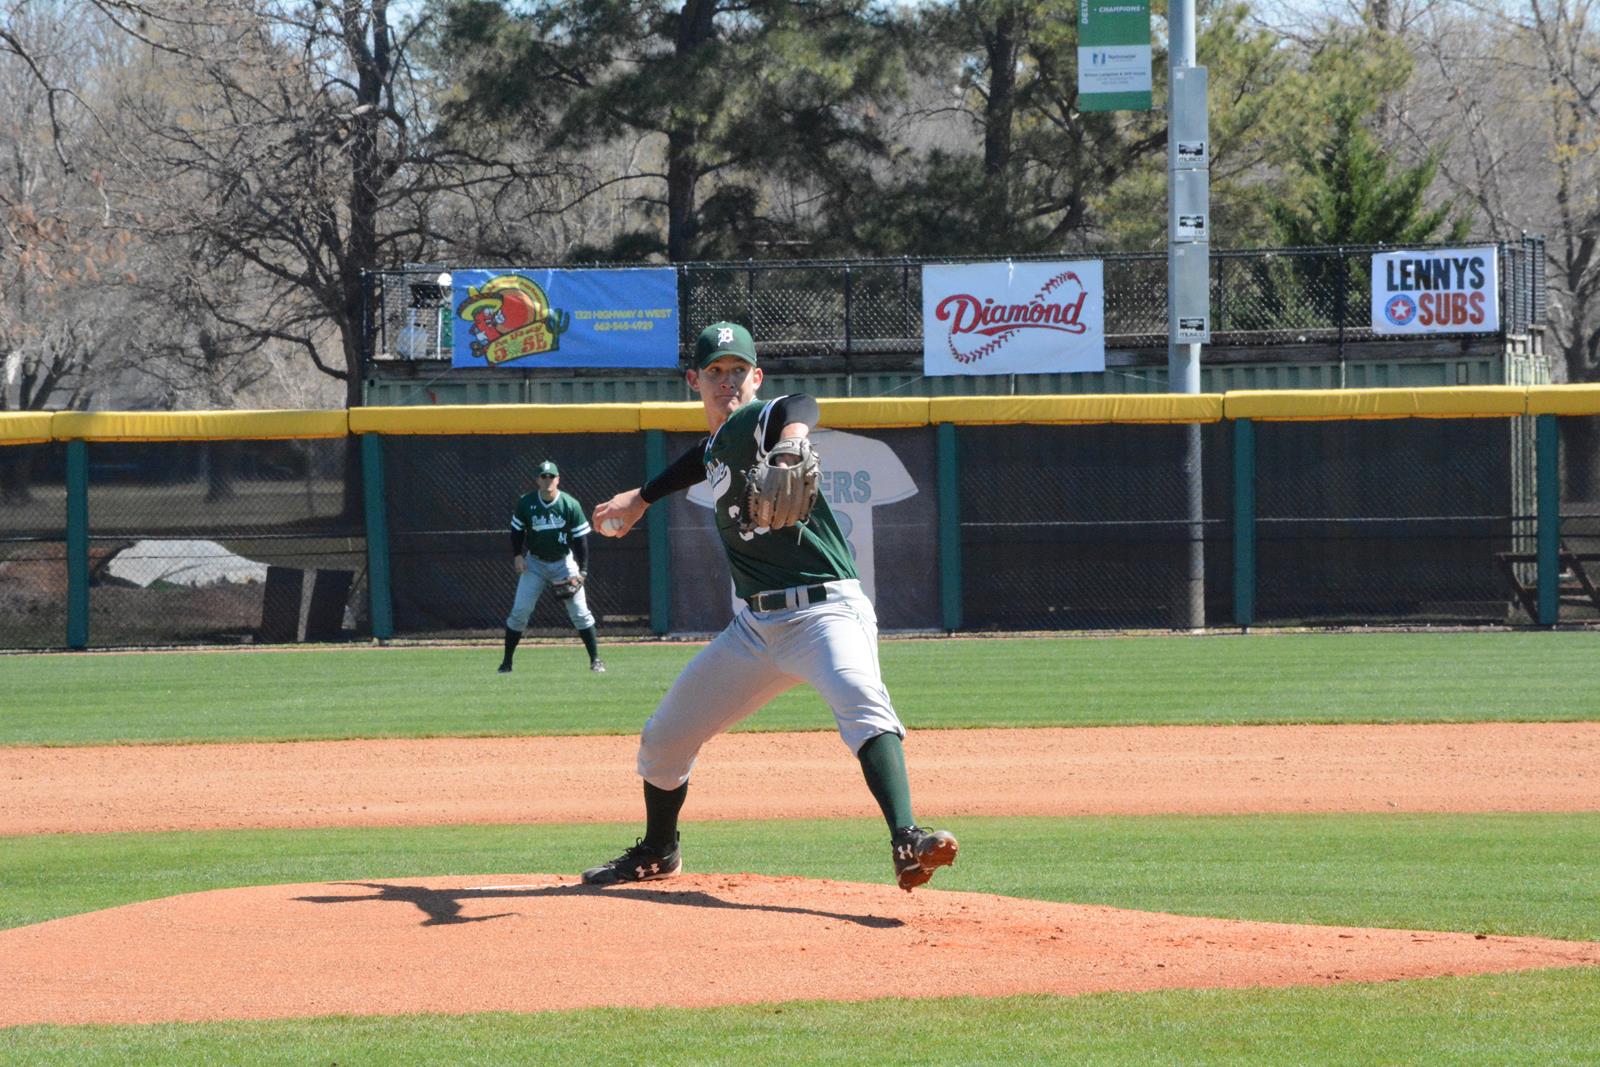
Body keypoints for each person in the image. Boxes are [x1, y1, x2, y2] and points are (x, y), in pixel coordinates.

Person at [585, 321, 958, 892]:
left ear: (756, 378)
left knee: (861, 700)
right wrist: (641, 498)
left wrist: (790, 441)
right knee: (664, 739)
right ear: (695, 381)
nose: (727, 380)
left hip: (825, 612)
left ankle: (906, 837)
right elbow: (701, 458)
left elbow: (800, 404)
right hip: (756, 627)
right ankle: (660, 850)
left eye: (738, 370)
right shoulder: (717, 446)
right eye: (715, 371)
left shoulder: (763, 420)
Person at [499, 459, 605, 673]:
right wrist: (517, 555)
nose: (547, 480)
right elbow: (517, 531)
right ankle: (506, 663)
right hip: (534, 563)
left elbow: (580, 540)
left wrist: (582, 571)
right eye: (543, 477)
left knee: (580, 613)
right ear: (537, 480)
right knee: (520, 612)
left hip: (563, 563)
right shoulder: (526, 503)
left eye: (551, 477)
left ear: (558, 479)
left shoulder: (569, 504)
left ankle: (595, 660)